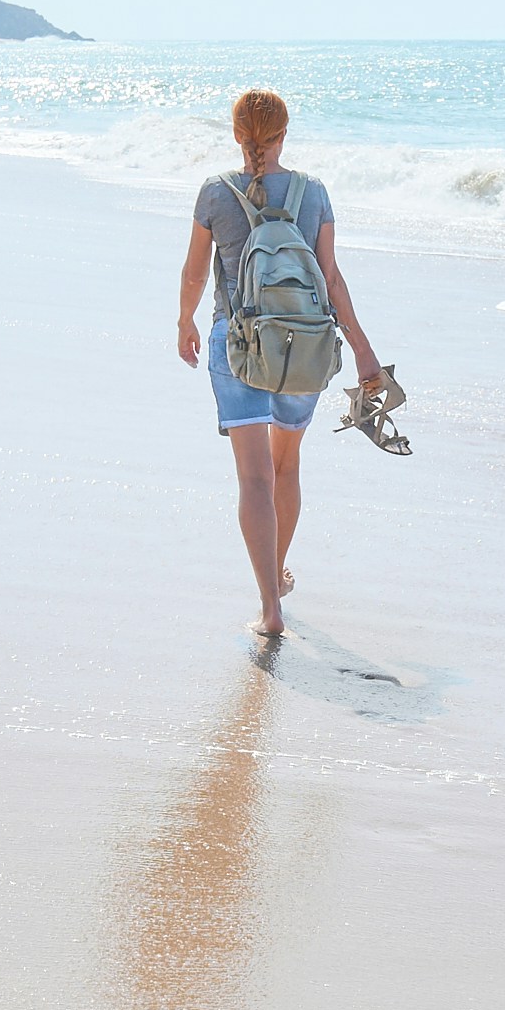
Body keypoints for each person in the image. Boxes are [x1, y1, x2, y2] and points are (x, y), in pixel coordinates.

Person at [178, 89, 383, 637]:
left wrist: (186, 322)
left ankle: (270, 606)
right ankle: (277, 577)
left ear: (236, 135)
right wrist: (363, 349)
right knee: (285, 467)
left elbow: (196, 273)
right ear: (284, 135)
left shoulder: (215, 193)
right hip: (304, 348)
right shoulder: (312, 192)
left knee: (253, 477)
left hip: (237, 346)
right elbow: (331, 278)